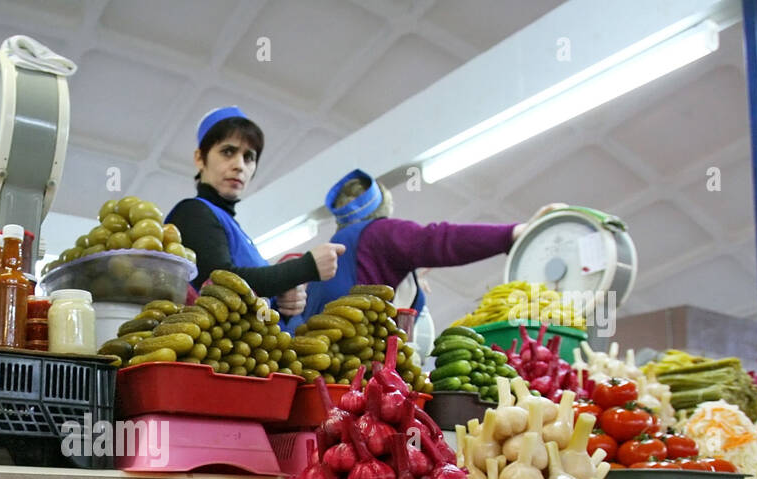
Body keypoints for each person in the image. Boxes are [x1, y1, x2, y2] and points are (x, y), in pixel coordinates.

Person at [291, 169, 563, 327]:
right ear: (383, 209)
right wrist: (514, 234)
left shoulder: (330, 256)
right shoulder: (380, 232)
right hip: (357, 382)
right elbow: (438, 240)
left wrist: (412, 279)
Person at [166, 106, 342, 323]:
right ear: (200, 158)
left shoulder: (233, 228)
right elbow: (219, 284)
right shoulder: (193, 212)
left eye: (249, 157)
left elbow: (248, 300)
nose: (239, 166)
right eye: (227, 152)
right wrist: (306, 267)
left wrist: (282, 298)